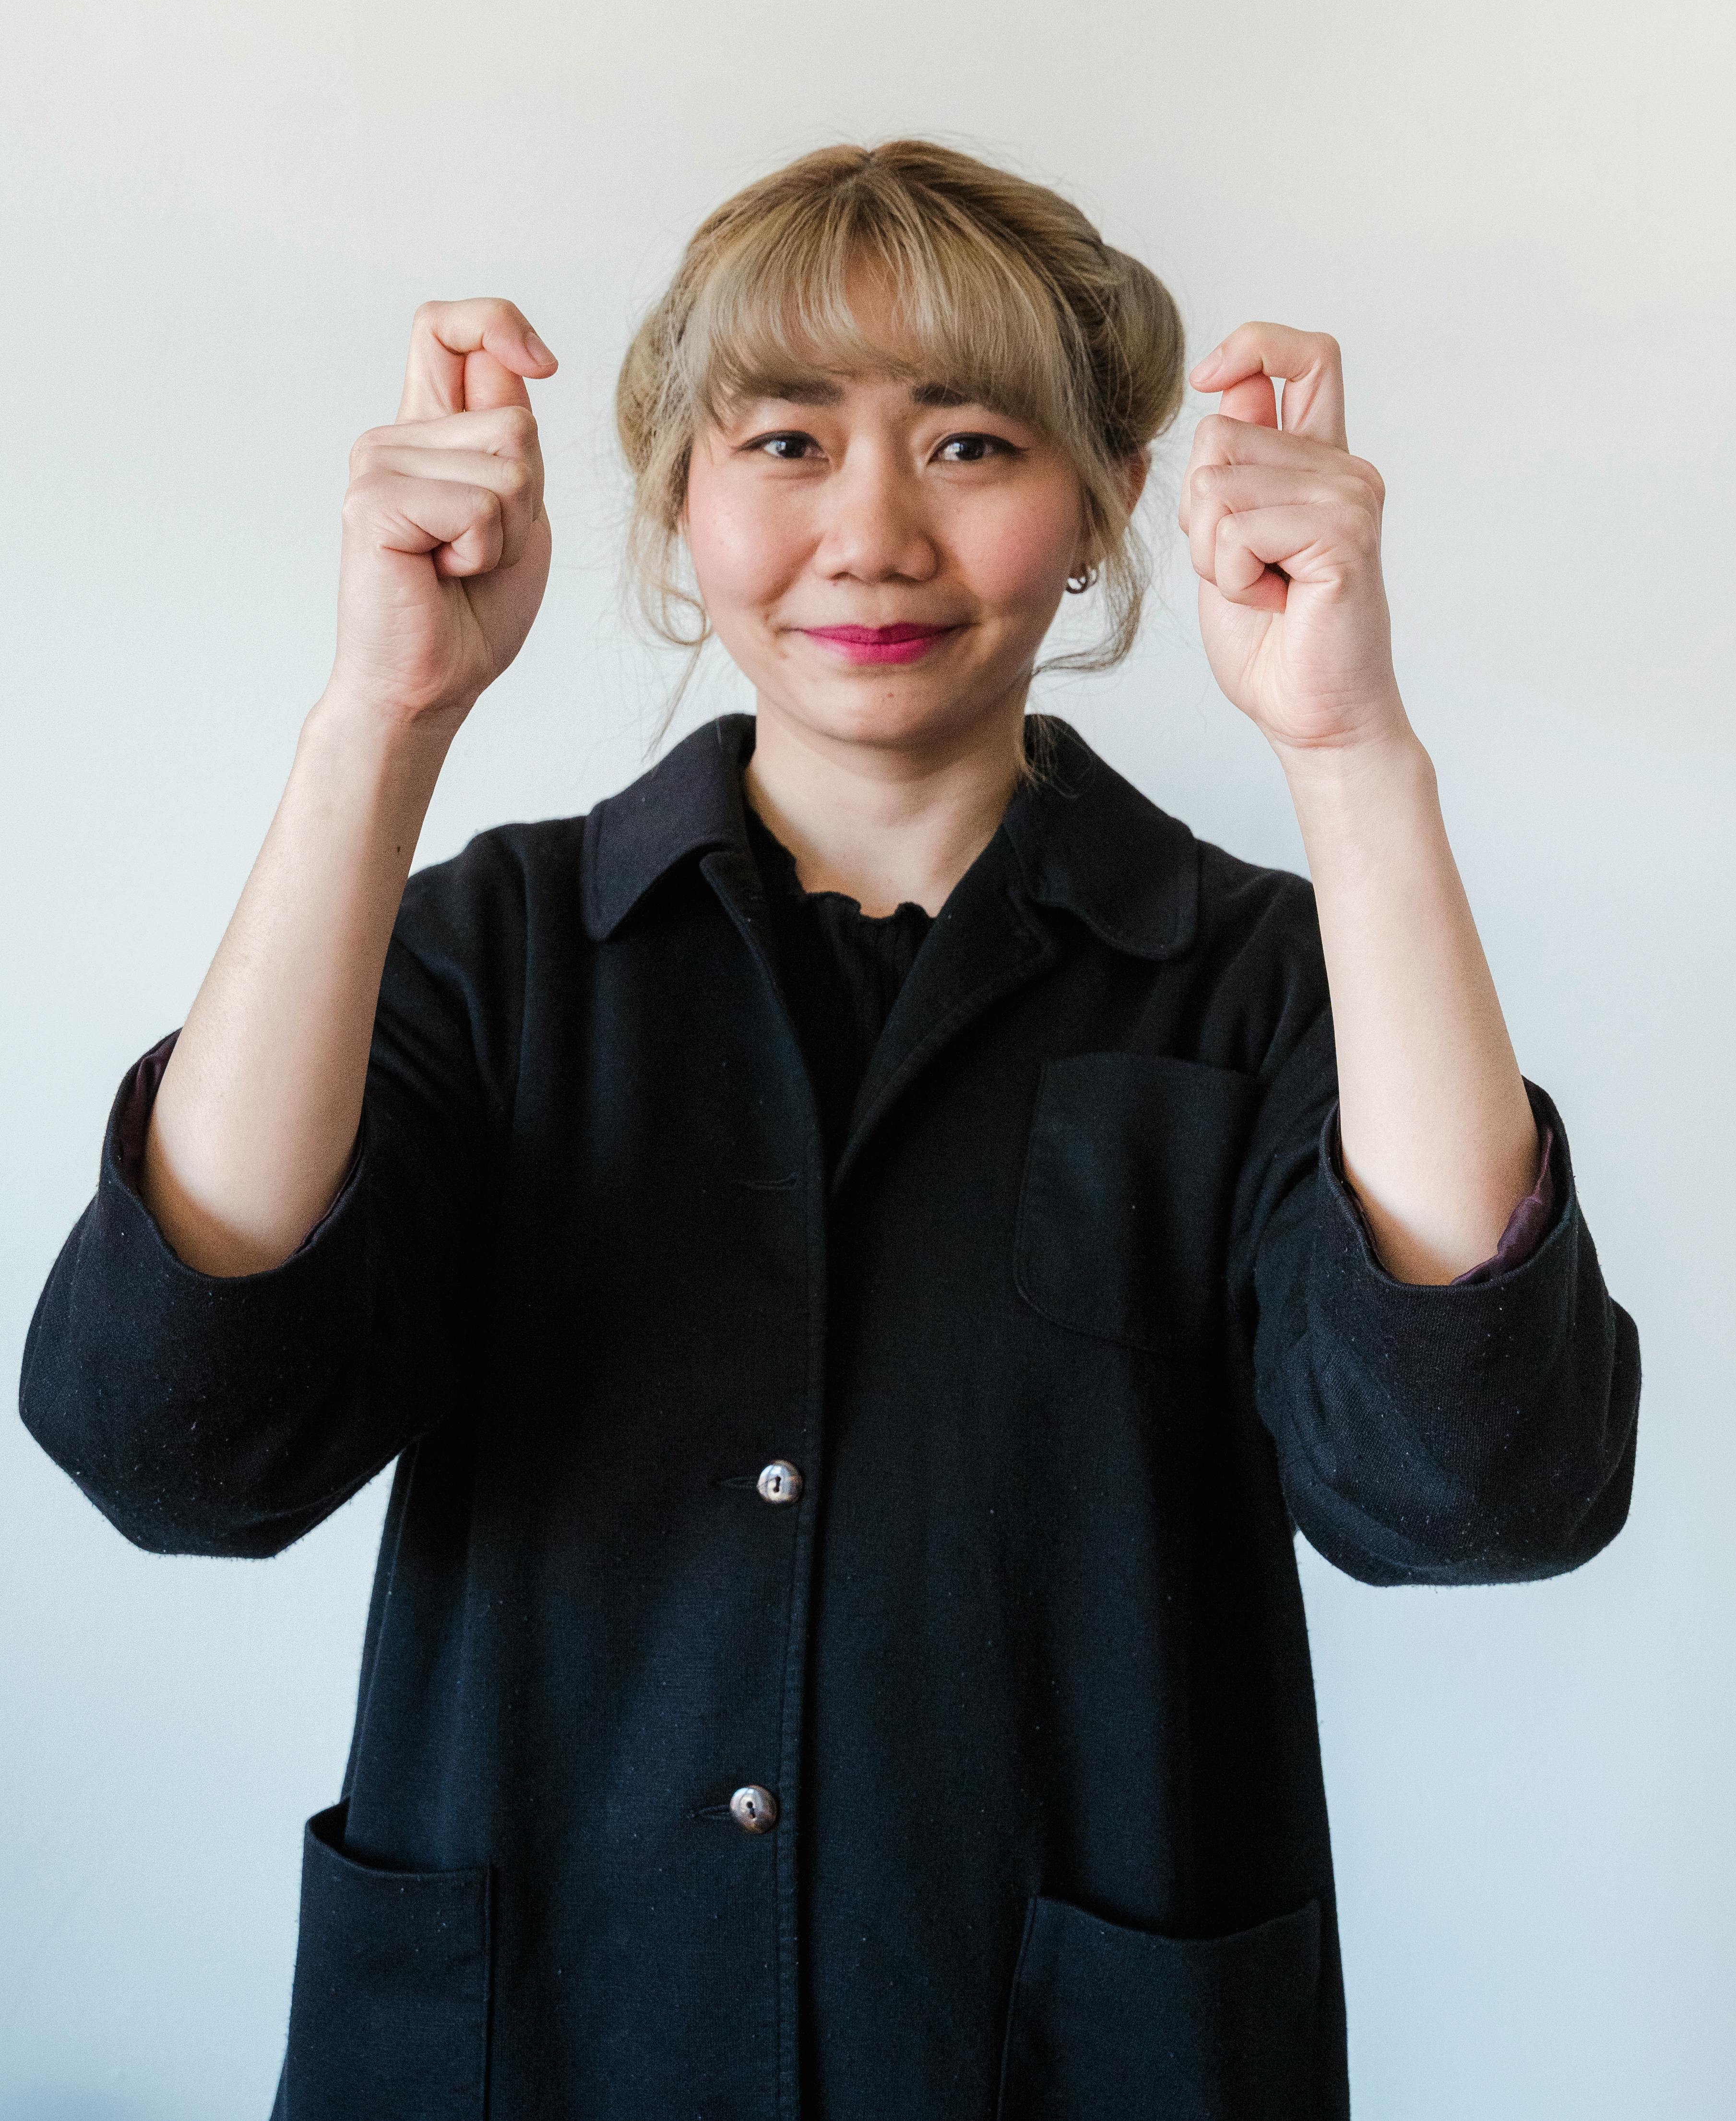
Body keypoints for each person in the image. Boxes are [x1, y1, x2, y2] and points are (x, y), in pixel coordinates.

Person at [21, 142, 1639, 2121]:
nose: (870, 536)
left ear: (1110, 500)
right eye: (783, 441)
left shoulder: (1270, 983)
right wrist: (380, 721)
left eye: (968, 445)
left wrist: (1348, 748)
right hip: (533, 2044)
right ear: (676, 502)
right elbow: (179, 1438)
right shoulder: (488, 953)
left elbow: (1477, 1488)